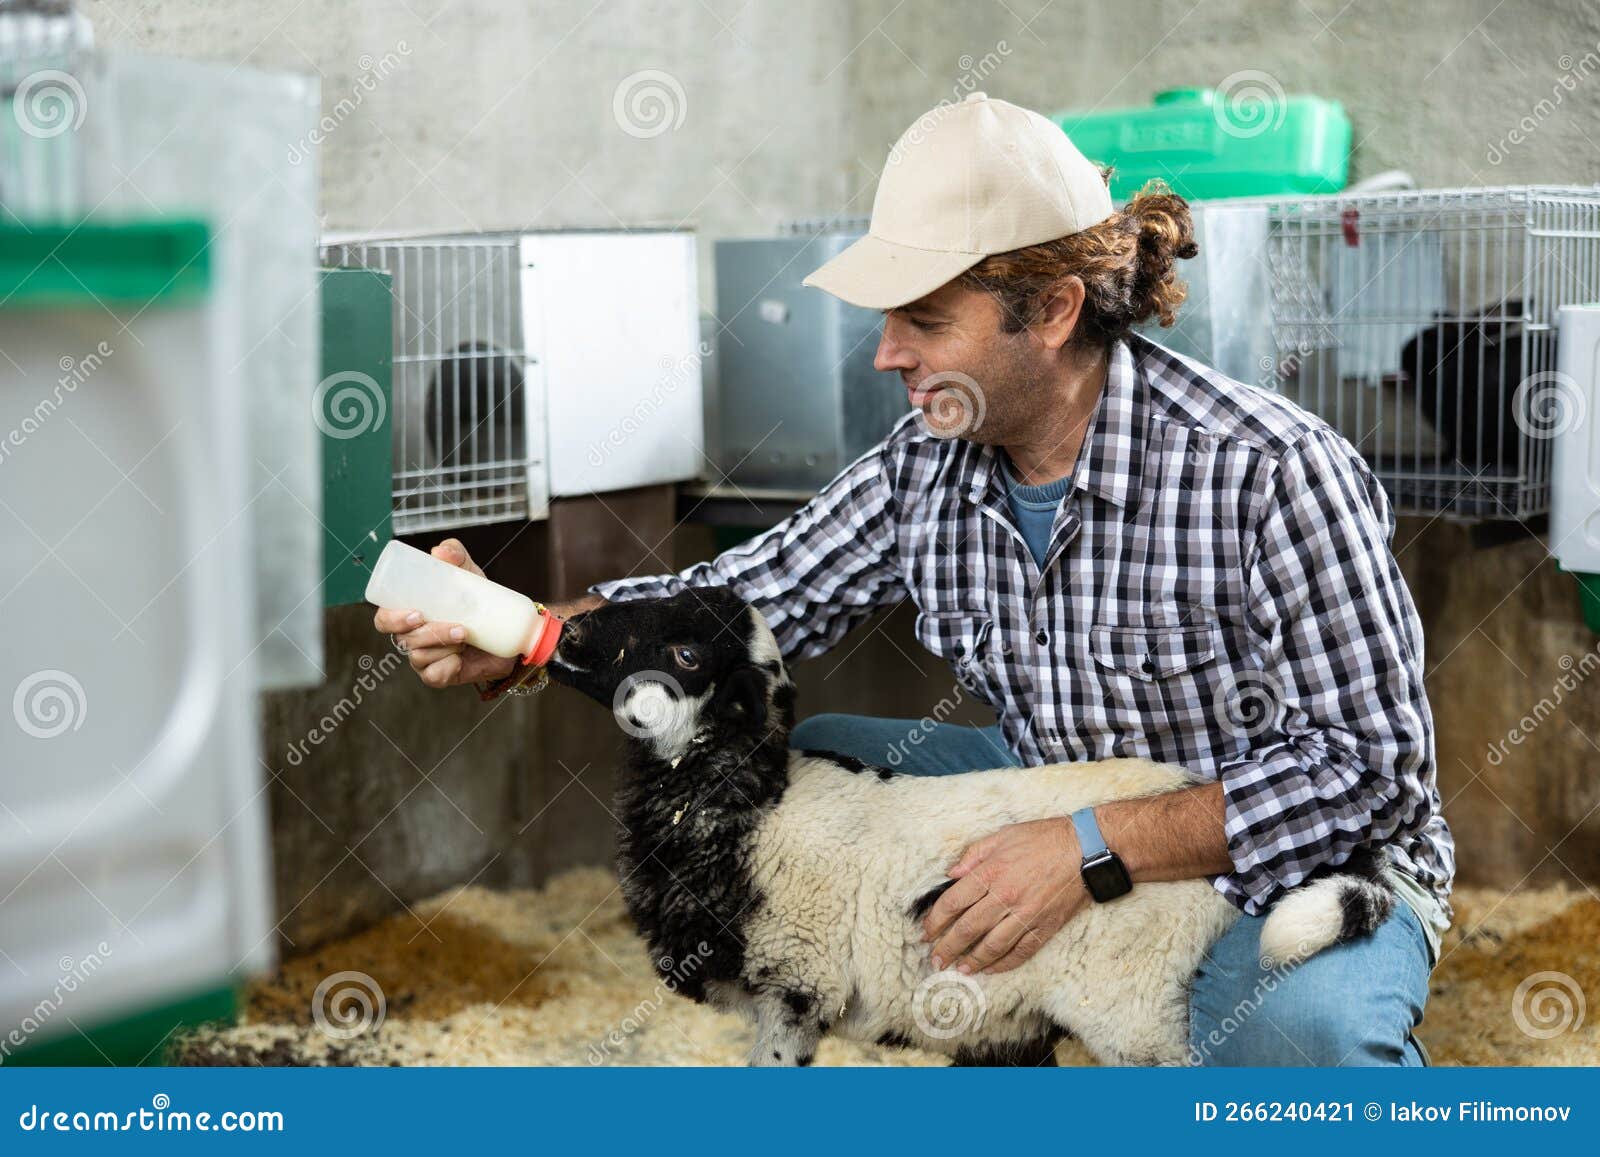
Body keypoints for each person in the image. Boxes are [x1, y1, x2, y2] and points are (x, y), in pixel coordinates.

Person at [374, 93, 1451, 1067]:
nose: (887, 353)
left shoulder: (1267, 470)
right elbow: (736, 609)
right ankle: (1015, 1029)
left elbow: (1369, 771)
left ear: (1054, 308)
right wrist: (522, 635)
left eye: (925, 319)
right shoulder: (924, 460)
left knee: (1298, 1044)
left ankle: (1159, 991)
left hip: (1281, 860)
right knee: (803, 765)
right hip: (1045, 789)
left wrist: (1086, 847)